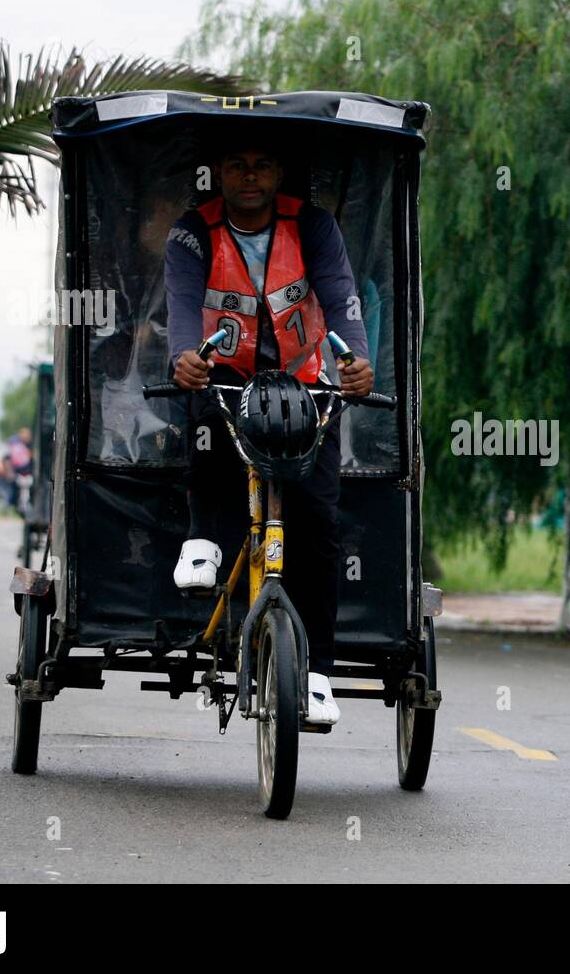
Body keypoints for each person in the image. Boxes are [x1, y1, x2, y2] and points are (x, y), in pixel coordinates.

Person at [164, 136, 373, 727]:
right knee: (205, 421)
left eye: (260, 166)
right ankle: (203, 540)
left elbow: (340, 296)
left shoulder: (313, 225)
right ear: (220, 173)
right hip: (227, 379)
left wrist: (354, 359)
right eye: (236, 164)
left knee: (319, 524)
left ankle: (319, 675)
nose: (249, 176)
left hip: (304, 384)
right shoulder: (192, 231)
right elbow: (182, 302)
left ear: (277, 172)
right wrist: (184, 355)